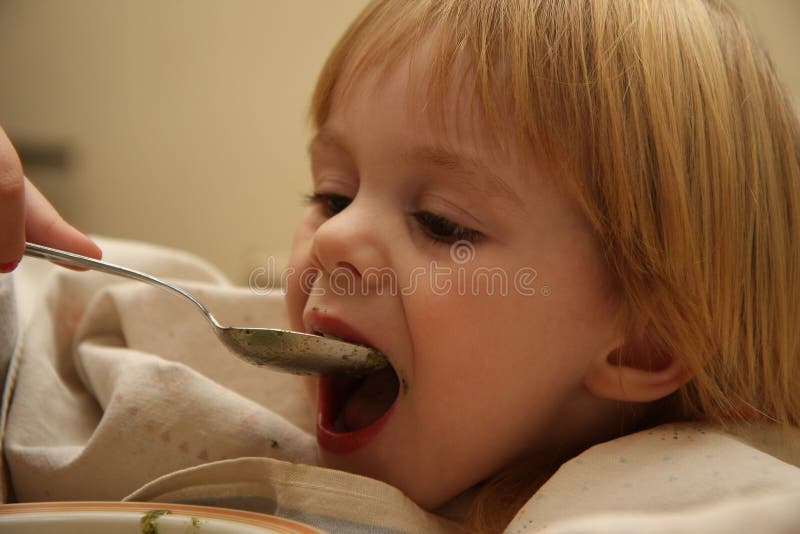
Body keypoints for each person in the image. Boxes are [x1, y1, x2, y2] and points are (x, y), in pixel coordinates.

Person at [2, 1, 800, 532]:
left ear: (643, 346)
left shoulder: (696, 497)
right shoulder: (149, 357)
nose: (337, 240)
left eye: (440, 220)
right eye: (331, 191)